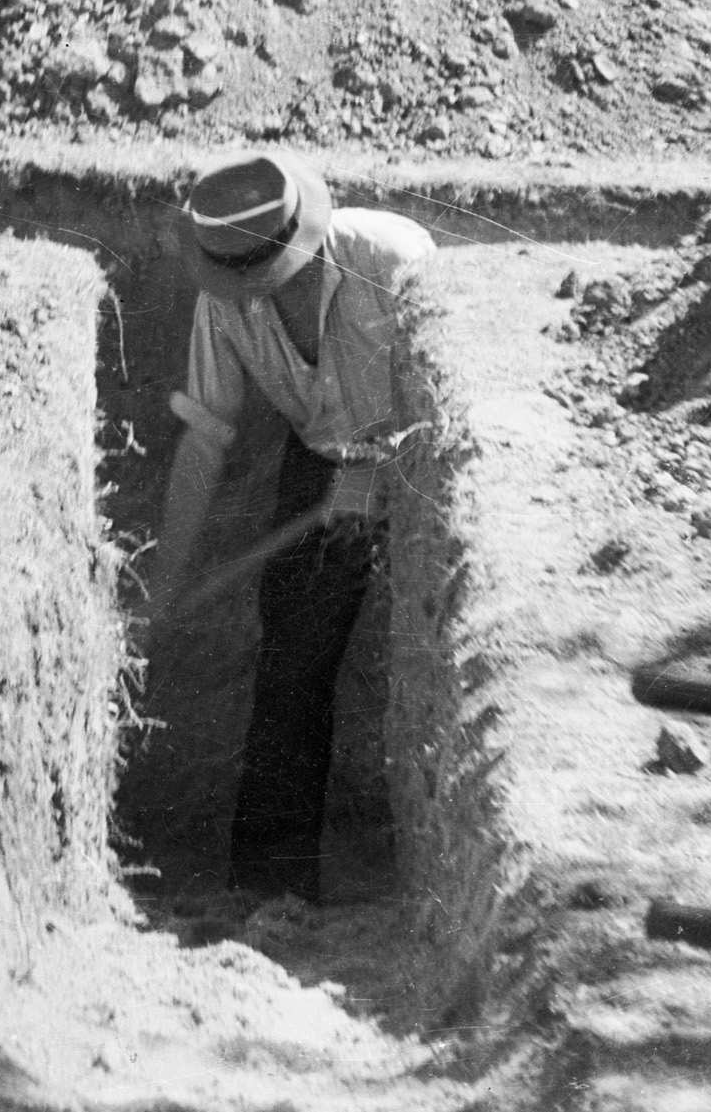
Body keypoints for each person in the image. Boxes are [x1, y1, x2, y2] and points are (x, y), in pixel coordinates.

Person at [142, 151, 432, 906]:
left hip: (419, 466)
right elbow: (206, 436)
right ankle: (272, 889)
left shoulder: (392, 260)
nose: (255, 294)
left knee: (429, 658)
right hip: (320, 460)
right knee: (290, 671)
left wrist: (378, 476)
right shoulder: (224, 296)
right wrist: (167, 576)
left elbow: (450, 392)